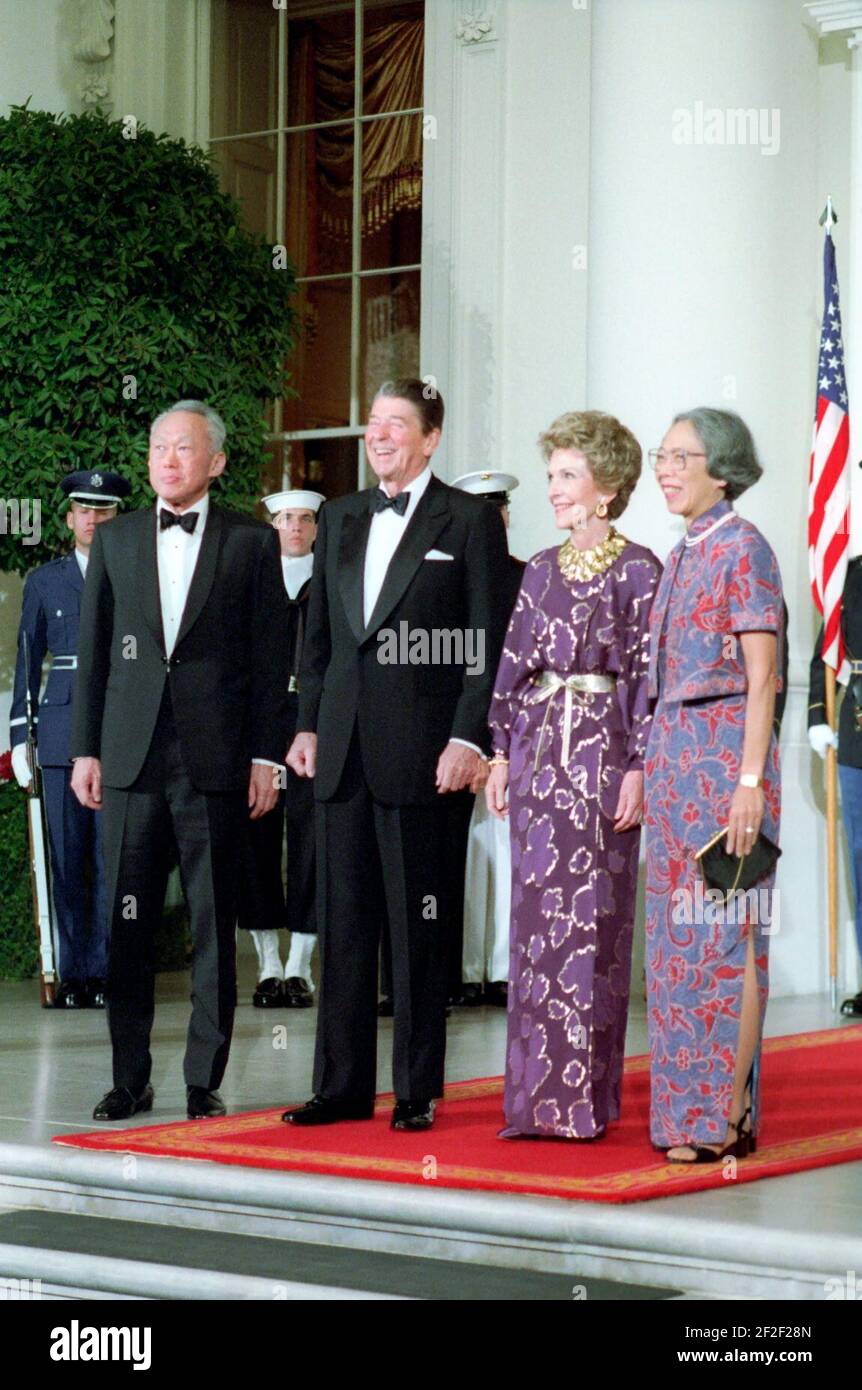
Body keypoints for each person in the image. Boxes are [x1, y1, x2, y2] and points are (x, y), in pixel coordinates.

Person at [283, 378, 510, 1133]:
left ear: (431, 438)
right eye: (372, 423)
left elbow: (485, 643)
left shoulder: (470, 522)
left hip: (425, 755)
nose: (378, 435)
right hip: (341, 752)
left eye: (395, 424)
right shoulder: (343, 516)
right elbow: (317, 643)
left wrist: (469, 738)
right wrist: (308, 725)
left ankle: (416, 1090)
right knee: (344, 925)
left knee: (418, 928)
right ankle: (340, 1087)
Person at [70, 401, 290, 1122]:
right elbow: (95, 657)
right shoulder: (118, 538)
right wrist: (85, 751)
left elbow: (270, 660)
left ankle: (204, 1078)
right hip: (130, 761)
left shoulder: (253, 544)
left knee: (211, 922)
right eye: (159, 447)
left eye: (184, 448)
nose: (168, 459)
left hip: (217, 760)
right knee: (125, 923)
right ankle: (128, 1078)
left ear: (216, 462)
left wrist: (266, 756)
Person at [486, 411, 660, 1140]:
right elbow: (511, 669)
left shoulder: (641, 569)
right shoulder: (537, 570)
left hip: (602, 763)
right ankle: (532, 1107)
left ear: (608, 487)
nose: (554, 490)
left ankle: (583, 1104)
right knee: (533, 933)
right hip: (537, 763)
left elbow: (652, 677)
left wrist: (641, 767)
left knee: (594, 932)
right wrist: (499, 754)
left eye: (567, 476)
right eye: (552, 475)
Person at [644, 408, 784, 1162]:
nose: (664, 468)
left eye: (679, 457)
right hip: (674, 767)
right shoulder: (682, 552)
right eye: (661, 455)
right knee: (675, 953)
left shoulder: (745, 549)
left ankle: (726, 1115)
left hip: (727, 766)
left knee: (726, 943)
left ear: (721, 470)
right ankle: (684, 1115)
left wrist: (750, 783)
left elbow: (763, 679)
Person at [11, 470, 132, 1010]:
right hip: (60, 735)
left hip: (119, 732)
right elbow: (26, 663)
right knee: (68, 860)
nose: (93, 520)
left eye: (104, 512)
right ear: (69, 519)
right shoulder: (44, 581)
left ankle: (109, 971)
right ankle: (74, 973)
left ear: (115, 520)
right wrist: (21, 736)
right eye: (84, 511)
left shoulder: (135, 575)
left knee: (114, 861)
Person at [236, 488, 325, 1008]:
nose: (295, 526)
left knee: (313, 839)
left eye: (305, 518)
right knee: (256, 840)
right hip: (261, 722)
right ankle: (268, 963)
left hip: (313, 722)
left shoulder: (330, 581)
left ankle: (300, 966)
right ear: (271, 525)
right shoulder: (253, 580)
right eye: (285, 518)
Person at [451, 470, 525, 1008]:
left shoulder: (528, 576)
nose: (492, 522)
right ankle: (460, 968)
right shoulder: (444, 580)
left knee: (506, 853)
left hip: (512, 736)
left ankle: (502, 968)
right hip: (456, 738)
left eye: (498, 512)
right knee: (460, 857)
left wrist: (496, 745)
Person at [809, 558, 862, 1016]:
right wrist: (815, 718)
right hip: (858, 728)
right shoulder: (848, 573)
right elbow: (822, 653)